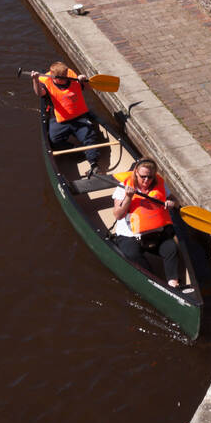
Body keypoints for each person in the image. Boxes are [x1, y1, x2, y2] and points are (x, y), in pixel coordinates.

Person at [111, 158, 182, 288]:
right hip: (131, 235)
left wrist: (172, 203)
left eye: (150, 177)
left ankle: (173, 284)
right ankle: (155, 282)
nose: (146, 181)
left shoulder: (159, 184)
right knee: (132, 254)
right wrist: (128, 197)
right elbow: (118, 214)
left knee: (171, 248)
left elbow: (174, 200)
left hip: (156, 233)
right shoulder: (123, 187)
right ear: (136, 173)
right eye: (143, 177)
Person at [31, 63, 104, 169]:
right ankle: (79, 152)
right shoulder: (47, 84)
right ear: (53, 76)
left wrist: (84, 80)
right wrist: (35, 80)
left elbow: (88, 88)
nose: (64, 80)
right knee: (54, 140)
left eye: (65, 77)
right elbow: (39, 93)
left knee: (89, 137)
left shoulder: (73, 79)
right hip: (59, 119)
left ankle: (93, 163)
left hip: (79, 117)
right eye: (61, 78)